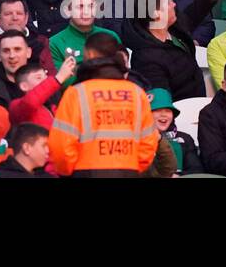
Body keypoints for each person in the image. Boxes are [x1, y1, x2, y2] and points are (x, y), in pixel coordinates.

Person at [48, 34, 157, 177]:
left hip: (85, 172)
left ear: (90, 54)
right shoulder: (137, 94)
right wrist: (133, 167)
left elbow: (61, 146)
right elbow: (149, 142)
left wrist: (69, 171)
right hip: (129, 171)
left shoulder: (76, 93)